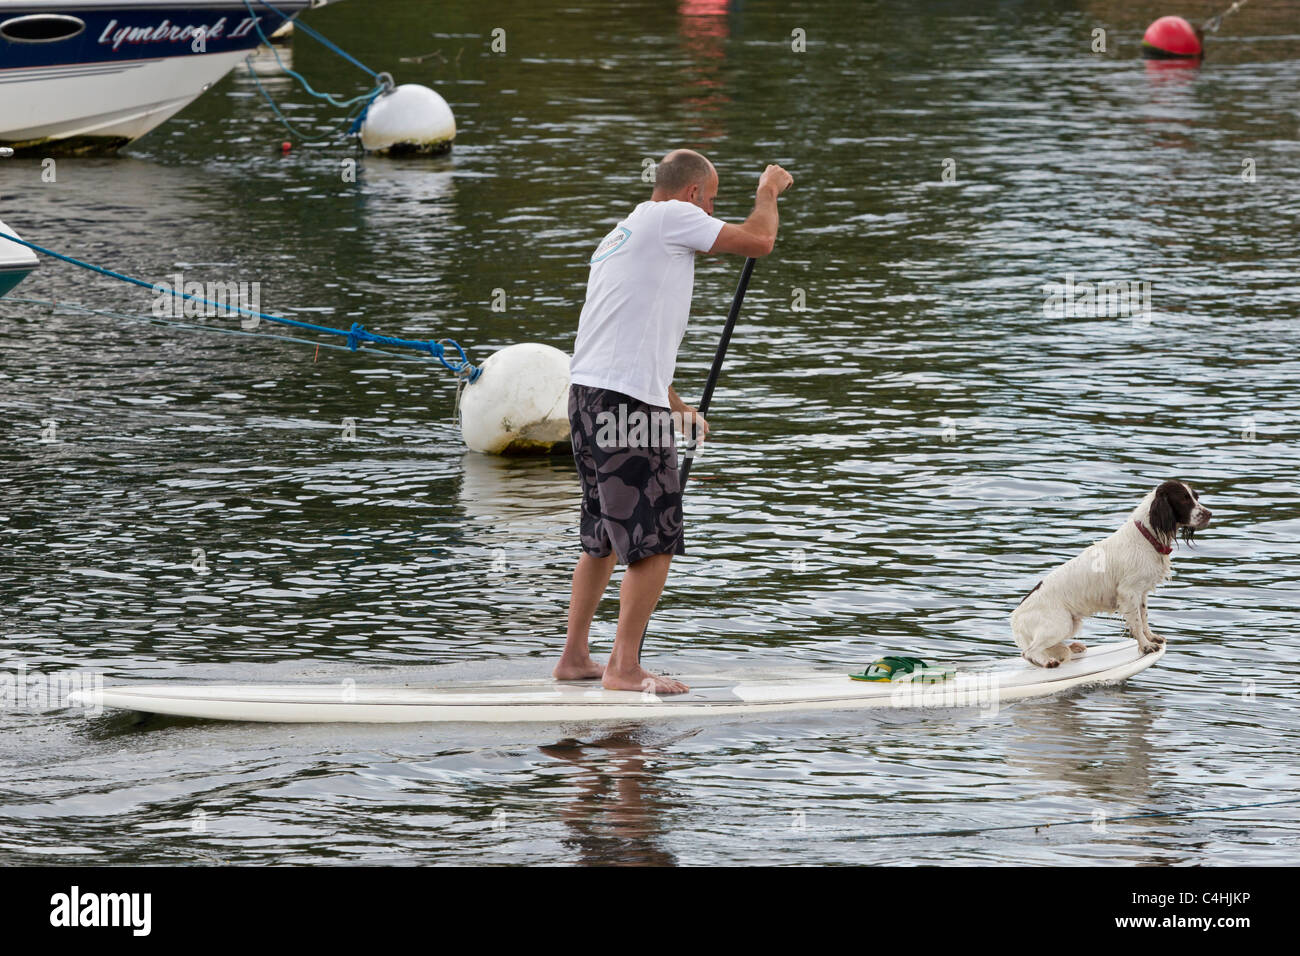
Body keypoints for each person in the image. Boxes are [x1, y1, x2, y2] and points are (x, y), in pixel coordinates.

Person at [555, 149, 793, 694]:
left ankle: (574, 659)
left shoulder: (621, 233)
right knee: (655, 540)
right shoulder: (672, 216)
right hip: (626, 407)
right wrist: (768, 192)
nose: (711, 213)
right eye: (711, 202)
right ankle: (624, 668)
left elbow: (627, 337)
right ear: (692, 195)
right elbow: (759, 240)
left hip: (590, 396)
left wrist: (676, 406)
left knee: (602, 537)